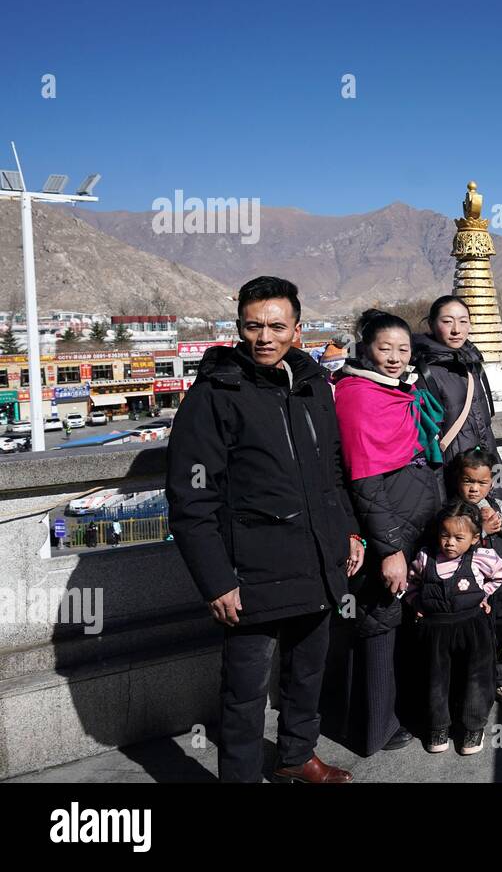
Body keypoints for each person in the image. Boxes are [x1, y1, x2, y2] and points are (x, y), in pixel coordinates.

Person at [165, 276, 359, 784]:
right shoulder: (216, 394)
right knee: (245, 690)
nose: (265, 337)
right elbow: (191, 496)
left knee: (308, 671)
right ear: (239, 329)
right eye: (254, 326)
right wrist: (216, 579)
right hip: (250, 570)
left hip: (317, 560)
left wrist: (351, 533)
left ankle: (297, 755)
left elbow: (333, 472)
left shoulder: (314, 384)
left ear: (298, 328)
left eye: (277, 325)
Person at [331, 309, 446, 756]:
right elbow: (365, 480)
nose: (395, 358)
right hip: (387, 531)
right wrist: (389, 548)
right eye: (385, 349)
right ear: (367, 349)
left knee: (407, 619)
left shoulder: (402, 391)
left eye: (403, 349)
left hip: (417, 523)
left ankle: (404, 711)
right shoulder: (358, 395)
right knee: (379, 620)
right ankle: (374, 725)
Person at [409, 501, 502, 755]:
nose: (450, 543)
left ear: (475, 538)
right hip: (436, 632)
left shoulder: (481, 557)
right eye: (445, 535)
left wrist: (483, 595)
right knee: (436, 679)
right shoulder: (425, 558)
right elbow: (410, 583)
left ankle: (473, 727)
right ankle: (438, 726)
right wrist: (416, 604)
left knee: (476, 679)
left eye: (458, 537)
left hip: (472, 629)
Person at [412, 296, 502, 502]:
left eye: (463, 321)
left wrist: (501, 485)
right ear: (431, 324)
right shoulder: (424, 373)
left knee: (500, 523)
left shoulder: (471, 365)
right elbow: (426, 442)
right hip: (454, 479)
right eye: (447, 322)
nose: (456, 329)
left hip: (485, 472)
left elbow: (486, 432)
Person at [449, 446, 502, 707]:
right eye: (468, 481)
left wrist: (499, 522)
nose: (474, 489)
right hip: (473, 592)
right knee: (476, 641)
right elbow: (451, 547)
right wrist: (480, 531)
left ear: (491, 483)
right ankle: (475, 687)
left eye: (481, 483)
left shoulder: (498, 506)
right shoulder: (455, 512)